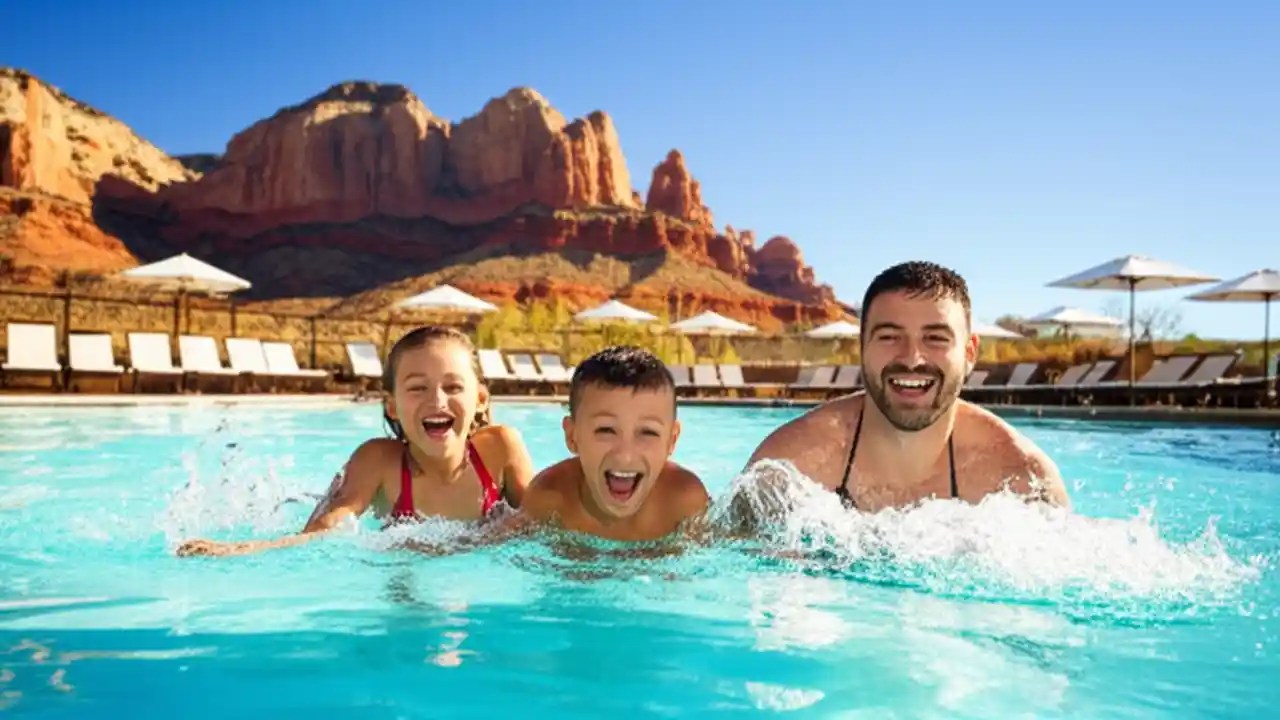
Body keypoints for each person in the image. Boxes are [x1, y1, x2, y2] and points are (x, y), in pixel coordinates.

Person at [176, 325, 535, 557]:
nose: (437, 401)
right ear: (392, 406)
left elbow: (542, 522)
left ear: (481, 400)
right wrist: (245, 548)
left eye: (453, 386)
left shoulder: (500, 450)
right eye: (417, 388)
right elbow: (326, 529)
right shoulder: (379, 461)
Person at [746, 261, 1070, 512]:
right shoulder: (791, 467)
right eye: (889, 337)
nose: (912, 358)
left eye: (935, 338)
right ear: (862, 347)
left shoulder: (1022, 481)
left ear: (970, 352)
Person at [517, 345, 710, 542]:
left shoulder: (684, 503)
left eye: (648, 432)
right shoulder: (550, 501)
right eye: (606, 430)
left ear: (672, 440)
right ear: (572, 436)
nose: (625, 456)